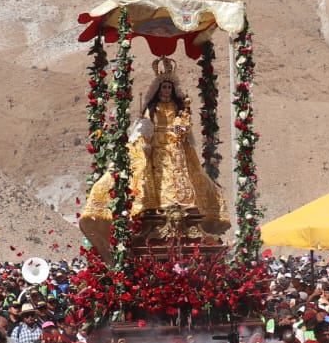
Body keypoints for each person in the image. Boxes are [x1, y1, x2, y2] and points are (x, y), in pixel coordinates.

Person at [79, 69, 230, 250]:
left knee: (181, 178)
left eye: (169, 87)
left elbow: (183, 128)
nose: (166, 90)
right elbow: (145, 127)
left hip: (176, 148)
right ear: (159, 89)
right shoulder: (153, 107)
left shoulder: (178, 108)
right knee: (158, 178)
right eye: (164, 86)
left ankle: (184, 209)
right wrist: (144, 144)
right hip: (158, 148)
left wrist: (183, 126)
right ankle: (158, 208)